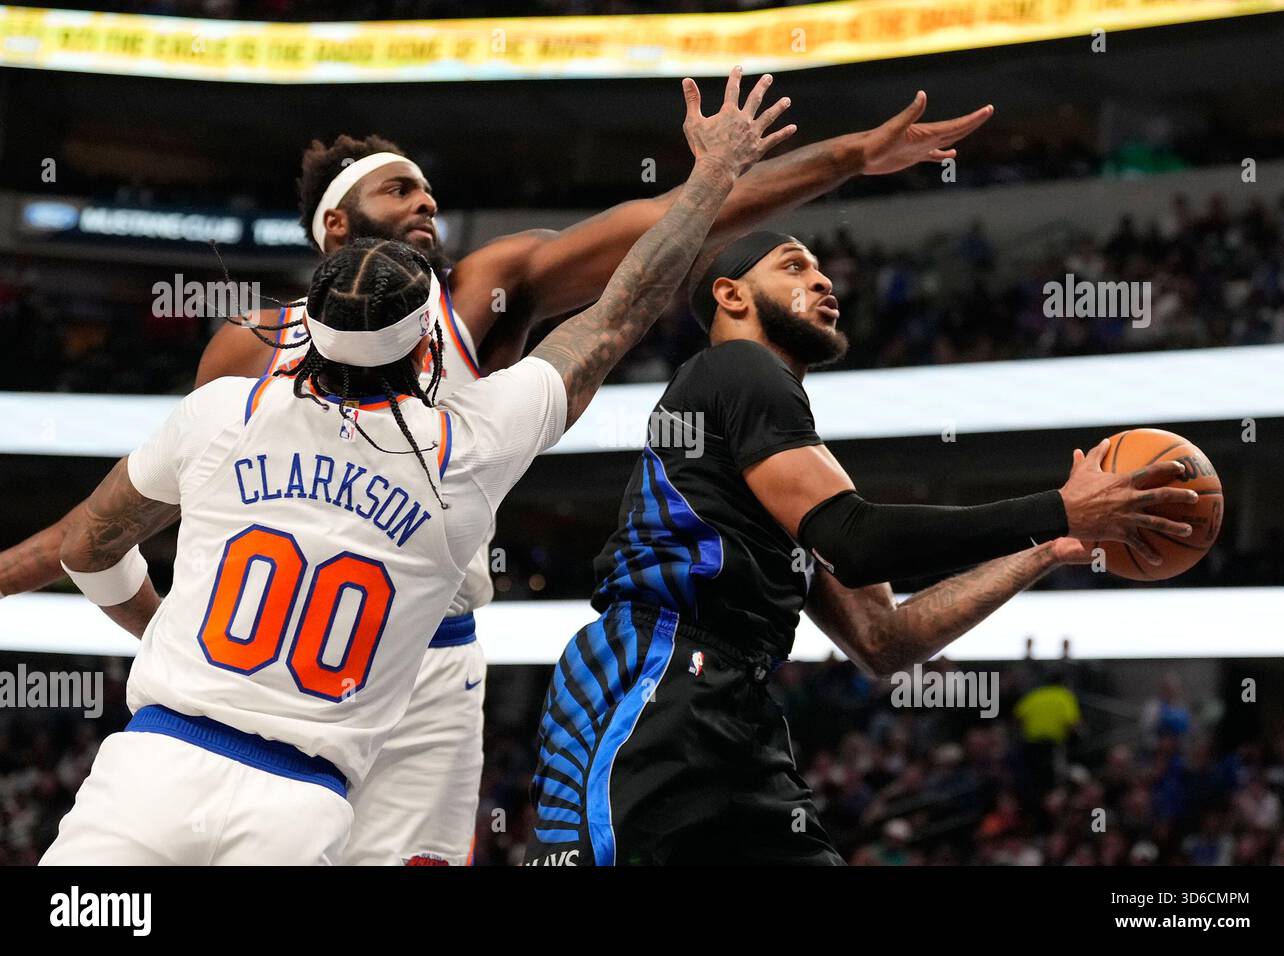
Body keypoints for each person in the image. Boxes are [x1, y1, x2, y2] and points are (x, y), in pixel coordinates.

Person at [0, 81, 992, 867]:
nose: (429, 206)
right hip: (302, 703)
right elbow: (631, 301)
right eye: (402, 192)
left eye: (433, 192)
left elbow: (662, 230)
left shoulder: (479, 290)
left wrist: (850, 158)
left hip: (423, 658)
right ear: (336, 230)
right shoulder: (246, 354)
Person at [523, 230, 1199, 865]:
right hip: (650, 674)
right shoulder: (737, 368)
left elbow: (885, 638)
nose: (824, 282)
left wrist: (1047, 546)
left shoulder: (782, 450)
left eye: (823, 271)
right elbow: (859, 540)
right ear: (732, 295)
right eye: (794, 266)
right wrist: (1056, 506)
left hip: (735, 700)